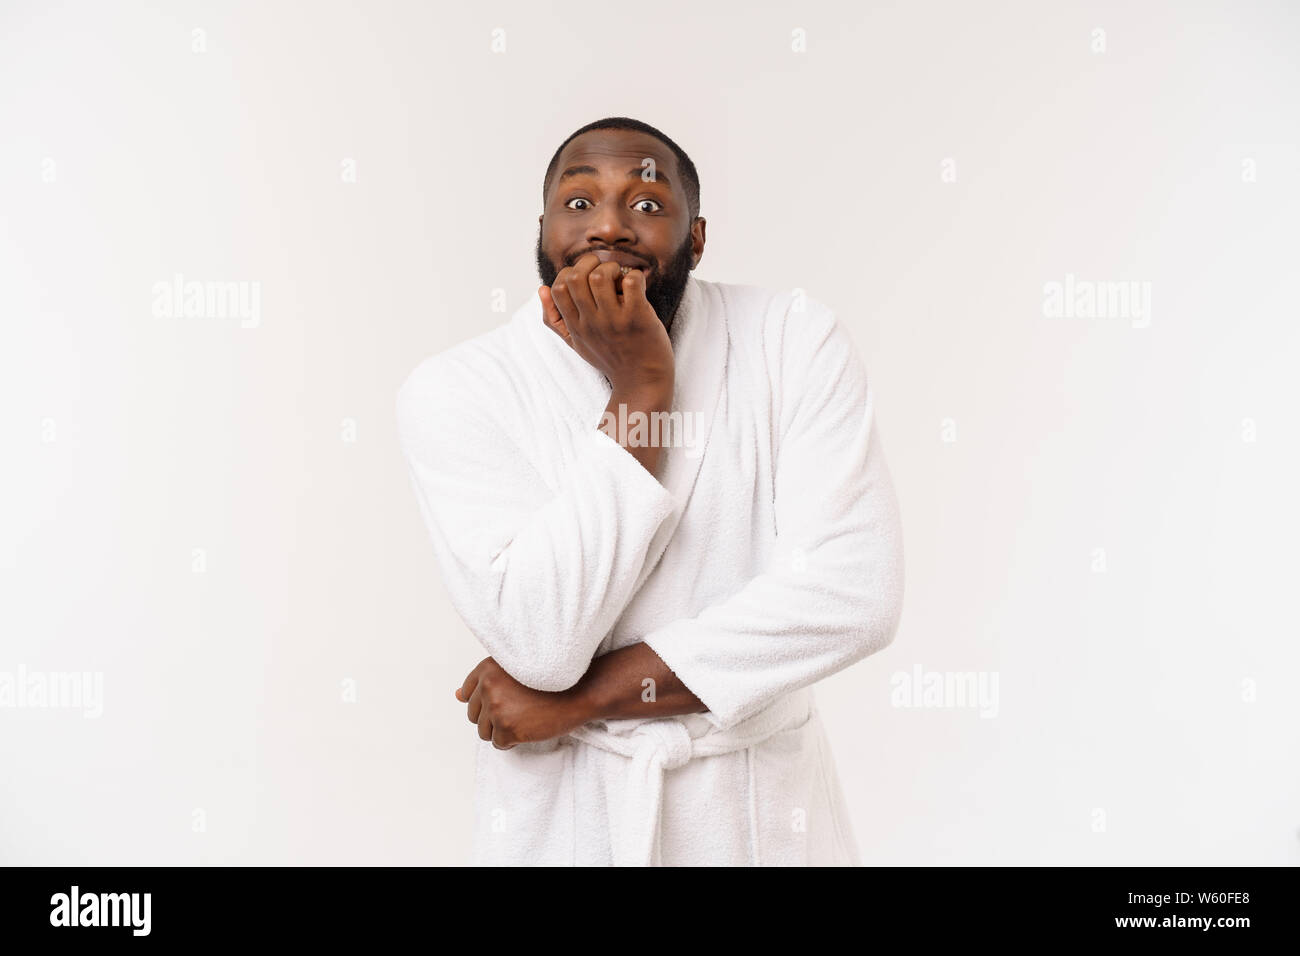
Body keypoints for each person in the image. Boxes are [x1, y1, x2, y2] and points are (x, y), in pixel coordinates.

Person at [396, 116, 905, 866]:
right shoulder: (457, 389)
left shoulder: (791, 338)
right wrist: (642, 388)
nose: (608, 226)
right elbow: (538, 641)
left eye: (646, 203)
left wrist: (583, 700)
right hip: (568, 819)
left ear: (696, 238)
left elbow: (853, 594)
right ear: (540, 229)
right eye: (578, 203)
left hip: (756, 814)